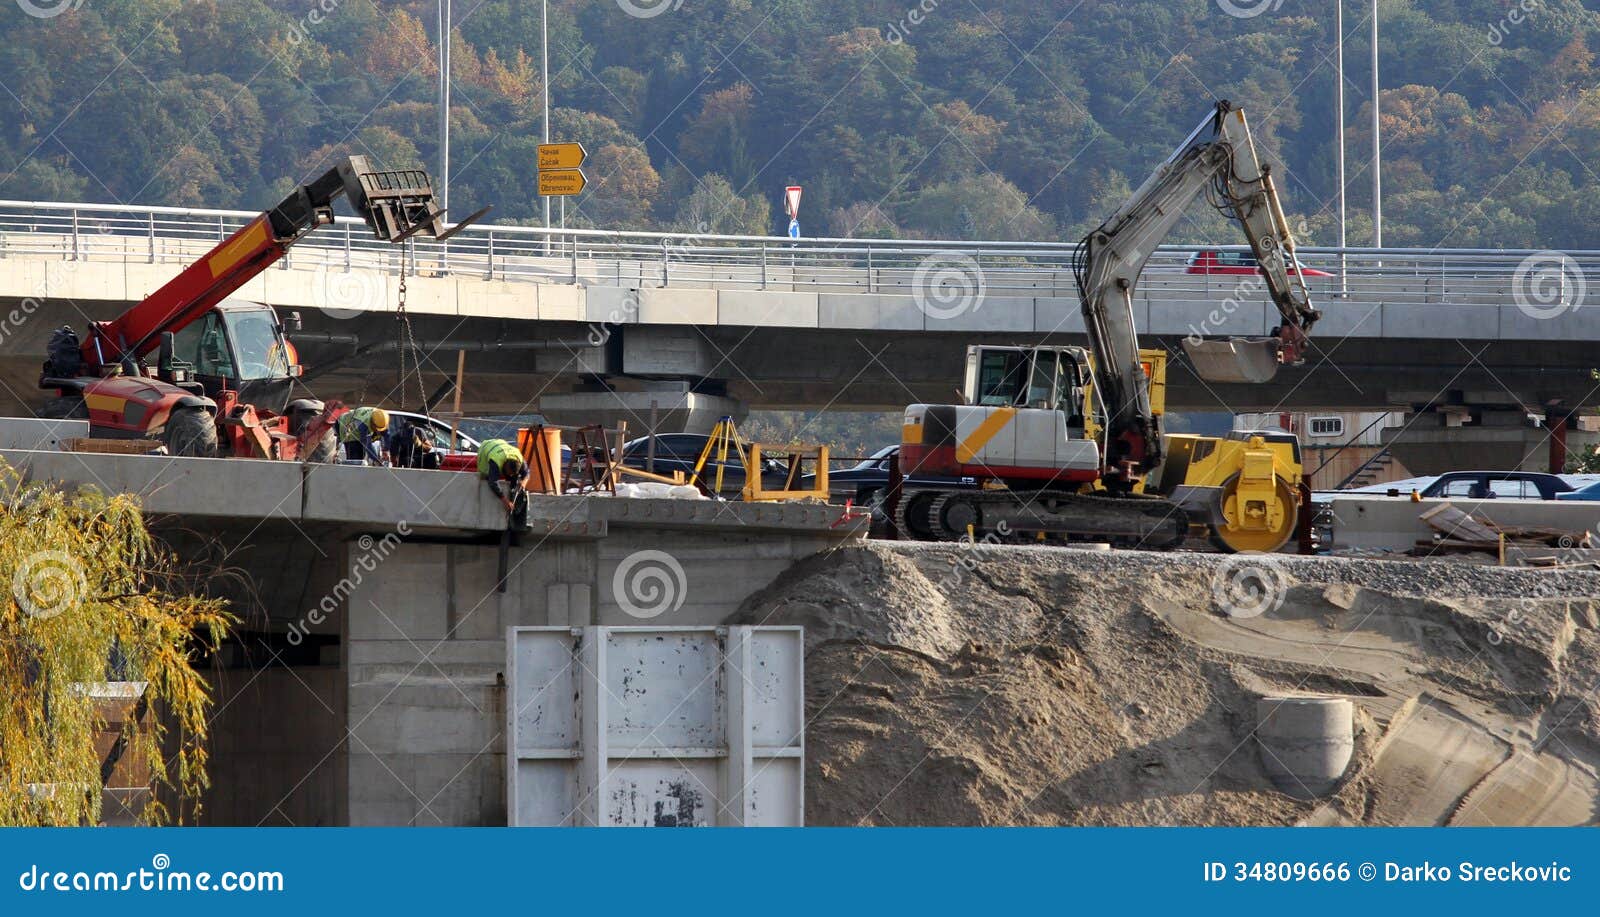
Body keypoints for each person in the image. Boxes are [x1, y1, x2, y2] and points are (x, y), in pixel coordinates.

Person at [477, 438, 529, 514]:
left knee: (513, 479)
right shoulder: (496, 461)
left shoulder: (519, 459)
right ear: (504, 466)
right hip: (485, 448)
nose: (510, 475)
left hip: (500, 444)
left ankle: (511, 493)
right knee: (485, 478)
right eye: (509, 473)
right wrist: (505, 501)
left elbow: (527, 472)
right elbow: (493, 482)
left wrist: (523, 482)